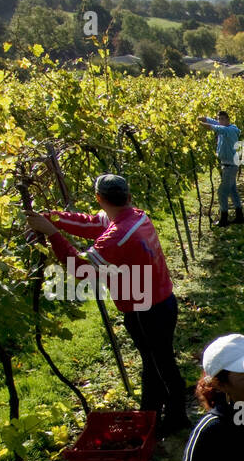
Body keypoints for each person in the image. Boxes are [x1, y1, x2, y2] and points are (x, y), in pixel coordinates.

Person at [27, 173, 190, 437]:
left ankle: (175, 417)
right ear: (128, 197)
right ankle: (151, 412)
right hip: (162, 301)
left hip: (144, 311)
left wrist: (54, 234)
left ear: (99, 198)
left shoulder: (118, 237)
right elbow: (93, 224)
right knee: (155, 361)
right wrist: (51, 217)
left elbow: (79, 269)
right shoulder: (137, 217)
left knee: (160, 363)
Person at [199, 111, 244, 226]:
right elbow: (213, 122)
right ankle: (239, 216)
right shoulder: (226, 126)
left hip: (230, 166)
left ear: (228, 120)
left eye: (223, 119)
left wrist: (198, 124)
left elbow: (214, 127)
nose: (220, 121)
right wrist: (203, 118)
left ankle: (224, 219)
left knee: (222, 192)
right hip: (229, 164)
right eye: (219, 119)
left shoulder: (229, 130)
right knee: (232, 190)